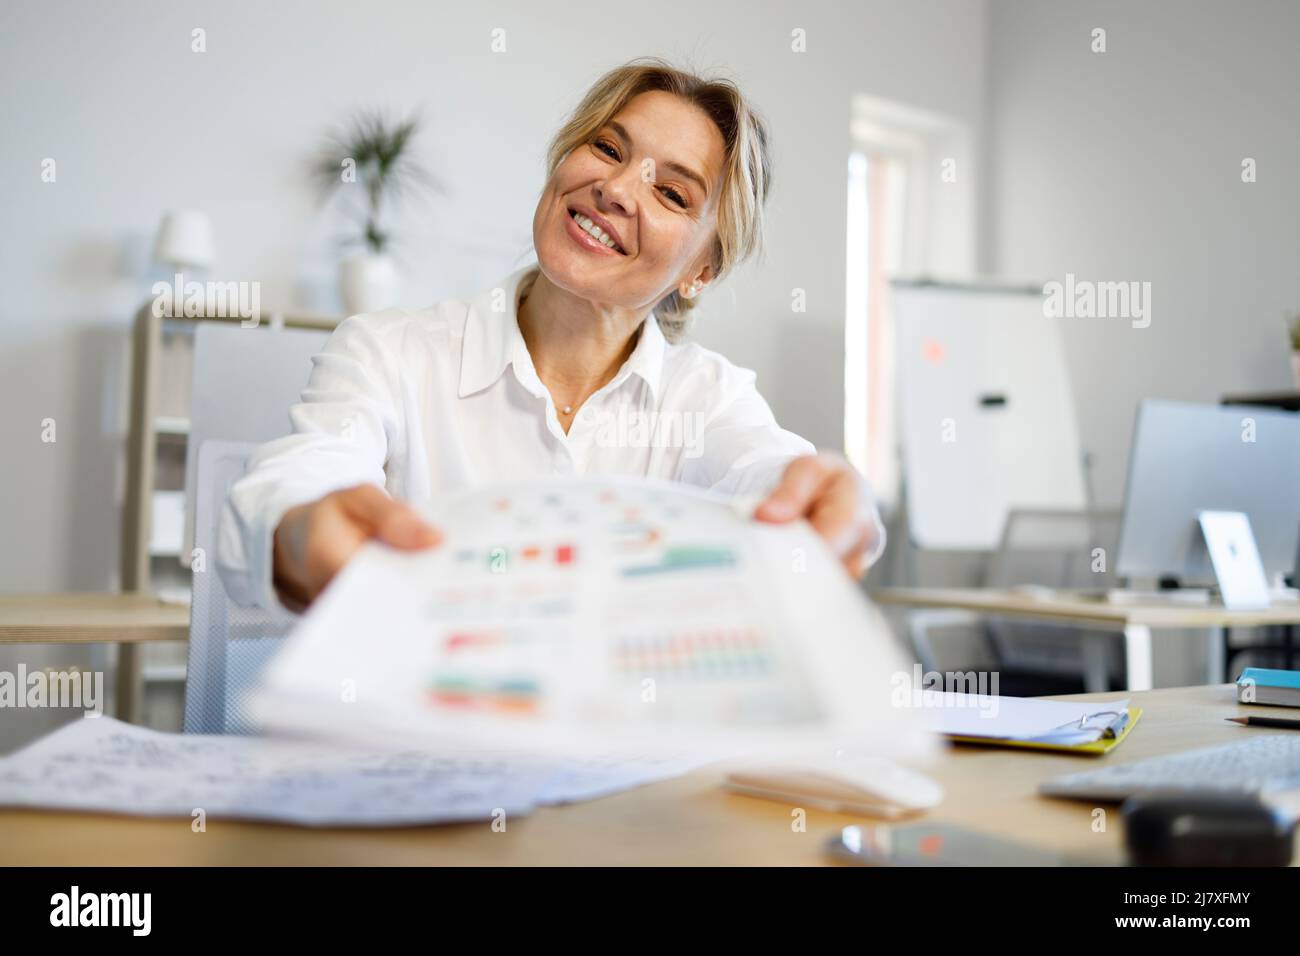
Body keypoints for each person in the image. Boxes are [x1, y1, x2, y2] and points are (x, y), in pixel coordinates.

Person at [217, 57, 884, 612]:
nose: (617, 188)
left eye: (672, 194)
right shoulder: (388, 352)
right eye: (607, 148)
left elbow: (768, 471)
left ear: (701, 272)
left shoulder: (707, 399)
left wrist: (822, 496)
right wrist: (299, 530)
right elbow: (302, 476)